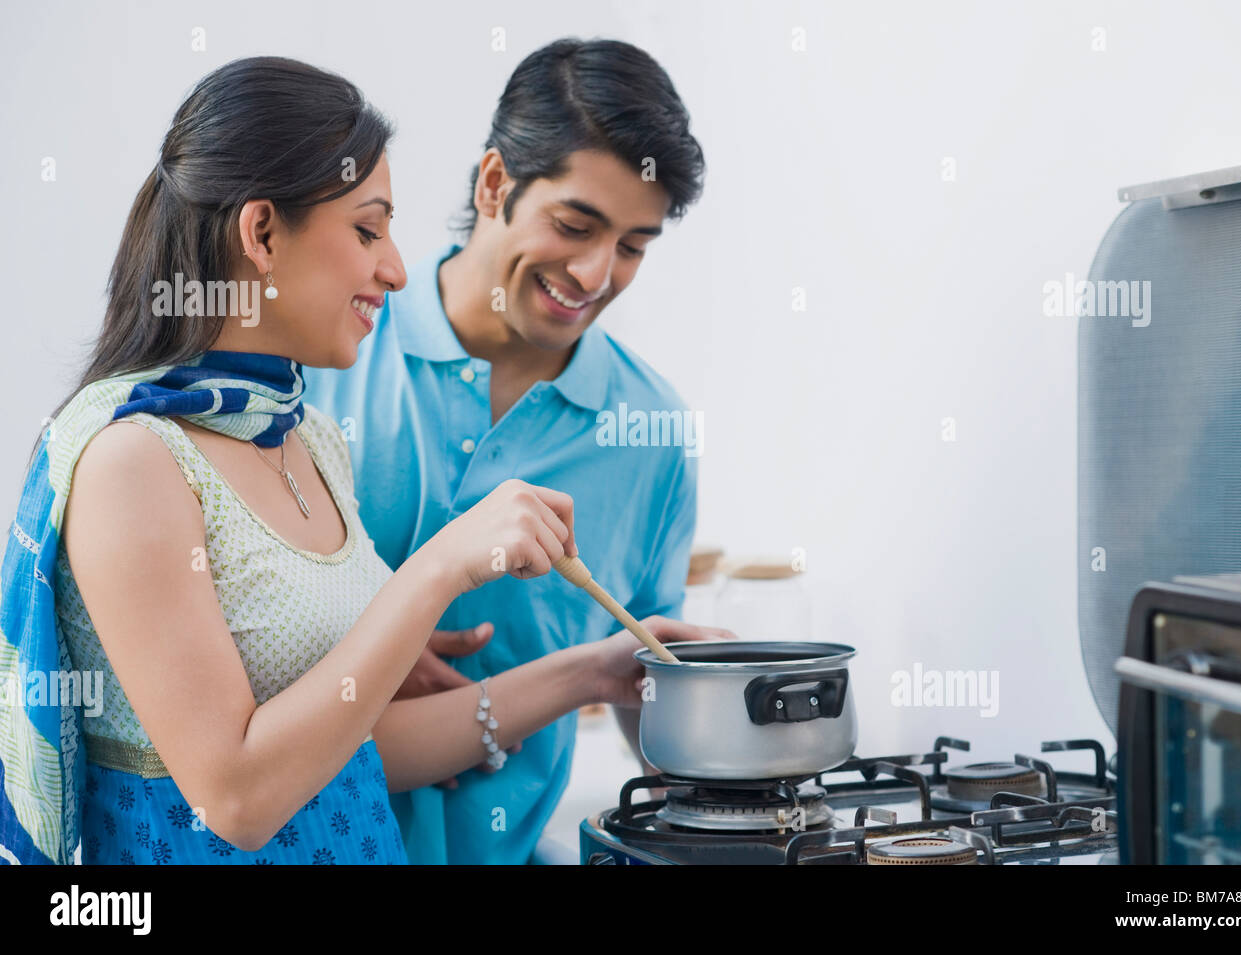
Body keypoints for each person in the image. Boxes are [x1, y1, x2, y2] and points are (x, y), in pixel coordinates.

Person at [0, 55, 724, 866]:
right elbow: (236, 794)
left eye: (632, 245)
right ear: (262, 233)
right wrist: (433, 575)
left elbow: (358, 737)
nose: (395, 267)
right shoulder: (138, 456)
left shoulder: (302, 437)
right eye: (367, 229)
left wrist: (594, 672)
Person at [308, 37, 708, 863]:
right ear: (495, 184)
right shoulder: (325, 356)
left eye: (633, 246)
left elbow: (640, 680)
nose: (596, 273)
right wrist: (371, 633)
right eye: (575, 224)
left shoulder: (654, 433)